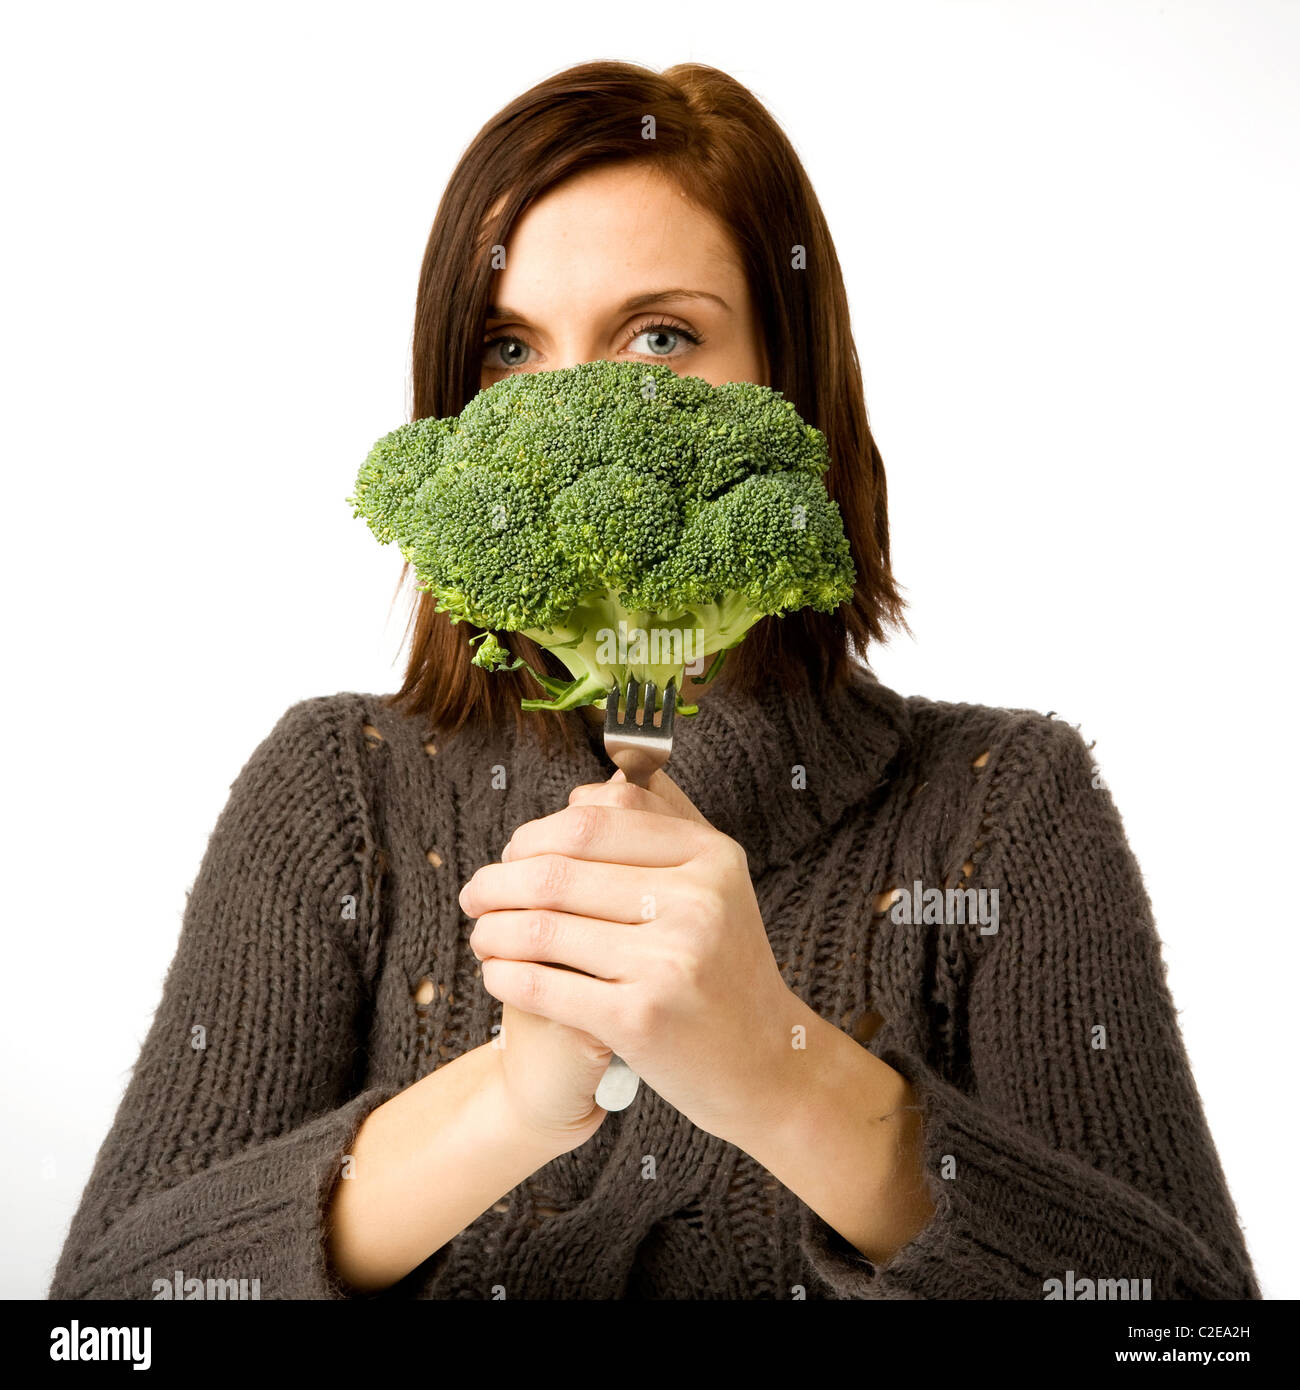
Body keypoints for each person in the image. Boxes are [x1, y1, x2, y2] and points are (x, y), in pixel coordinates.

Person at [48, 60, 1259, 1301]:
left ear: (790, 374)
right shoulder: (338, 793)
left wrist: (788, 1073)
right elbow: (99, 1324)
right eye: (507, 348)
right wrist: (504, 1108)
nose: (574, 406)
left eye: (660, 333)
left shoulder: (1002, 810)